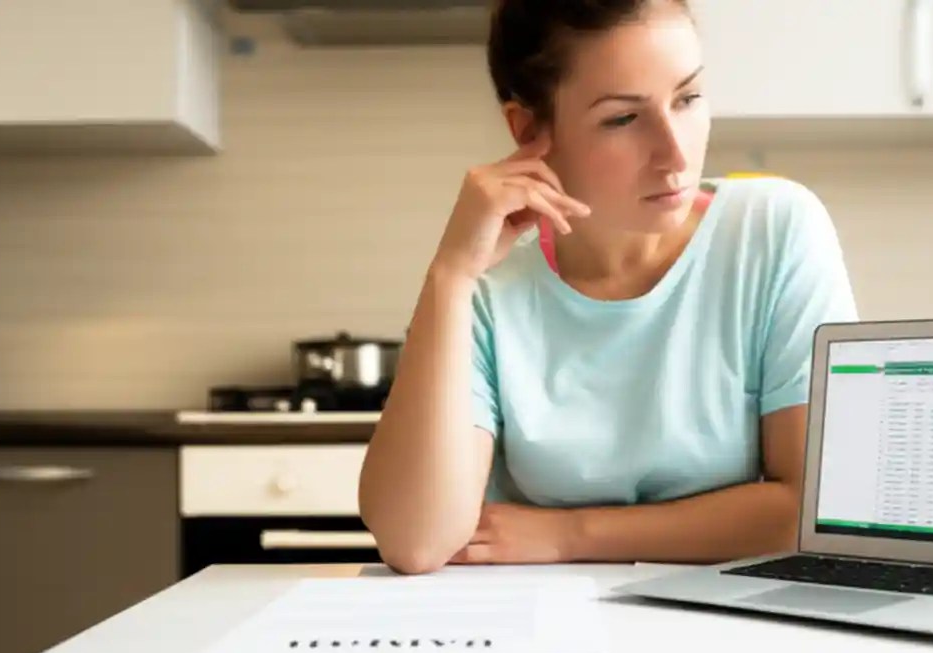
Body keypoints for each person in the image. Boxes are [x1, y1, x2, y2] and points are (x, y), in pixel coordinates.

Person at [358, 0, 858, 575]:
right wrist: (450, 276)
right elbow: (417, 544)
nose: (675, 154)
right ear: (530, 131)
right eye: (623, 119)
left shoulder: (774, 231)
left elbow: (817, 510)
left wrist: (571, 534)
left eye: (688, 98)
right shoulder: (490, 286)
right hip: (529, 617)